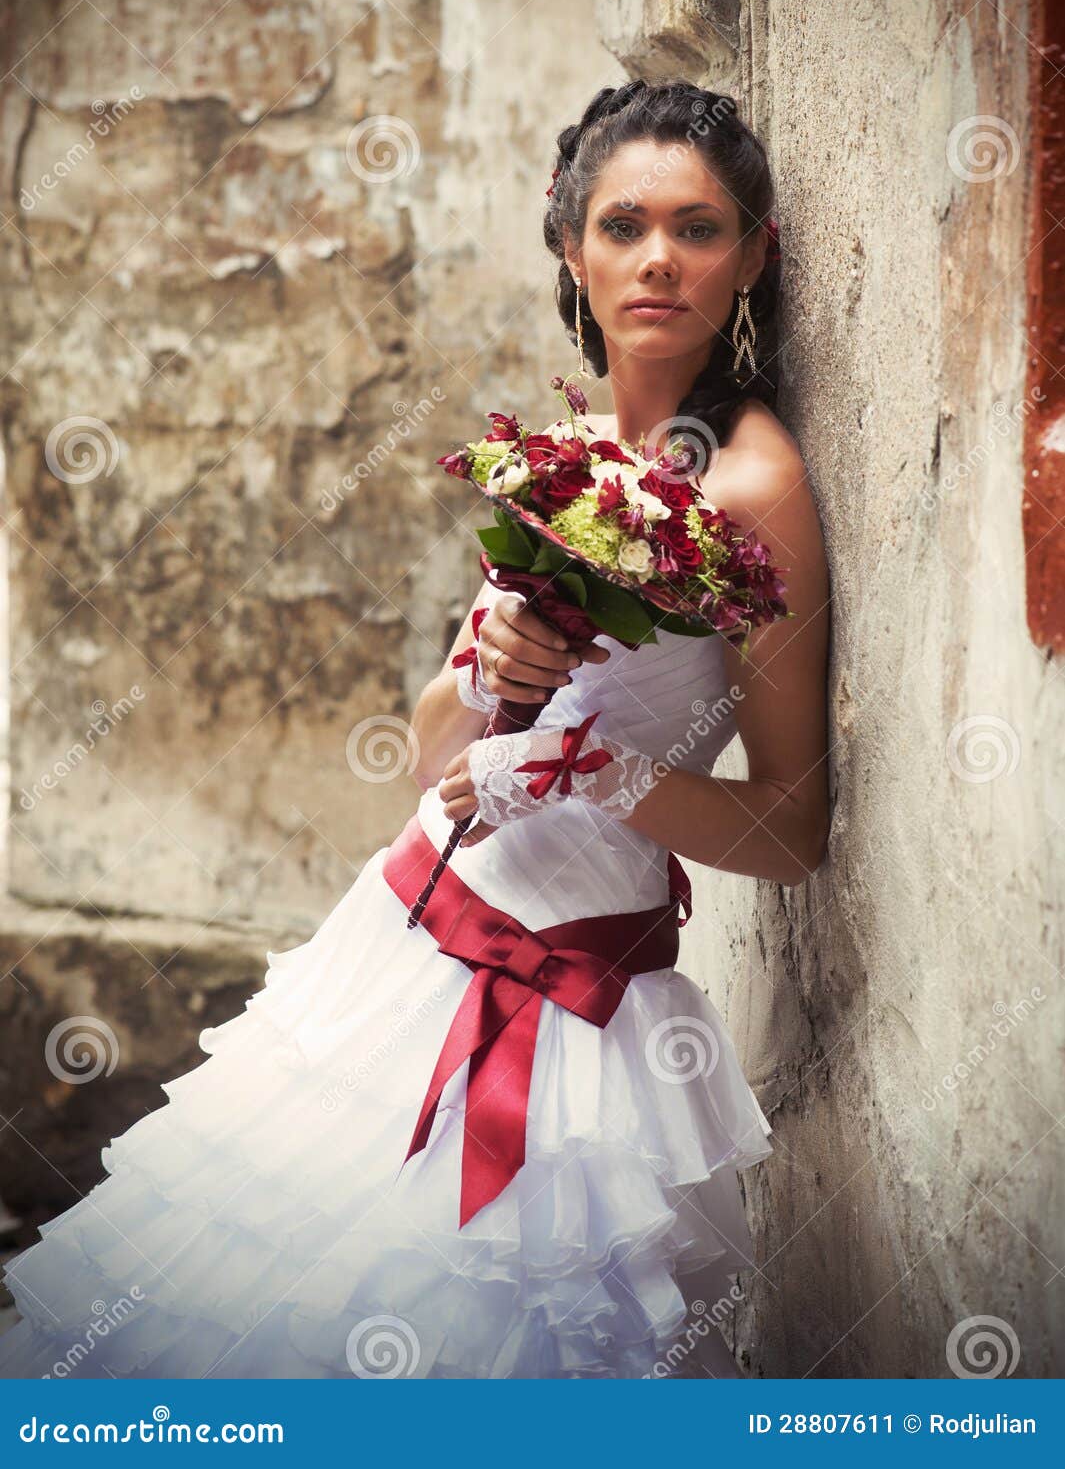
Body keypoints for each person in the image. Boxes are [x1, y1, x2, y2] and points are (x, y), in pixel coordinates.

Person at [0, 78, 829, 1381]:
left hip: (570, 1008)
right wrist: (491, 673)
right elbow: (436, 747)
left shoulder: (754, 486)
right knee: (252, 1310)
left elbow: (791, 829)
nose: (658, 259)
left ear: (753, 254)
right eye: (622, 226)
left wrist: (590, 771)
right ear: (571, 246)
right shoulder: (563, 450)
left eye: (699, 227)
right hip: (399, 941)